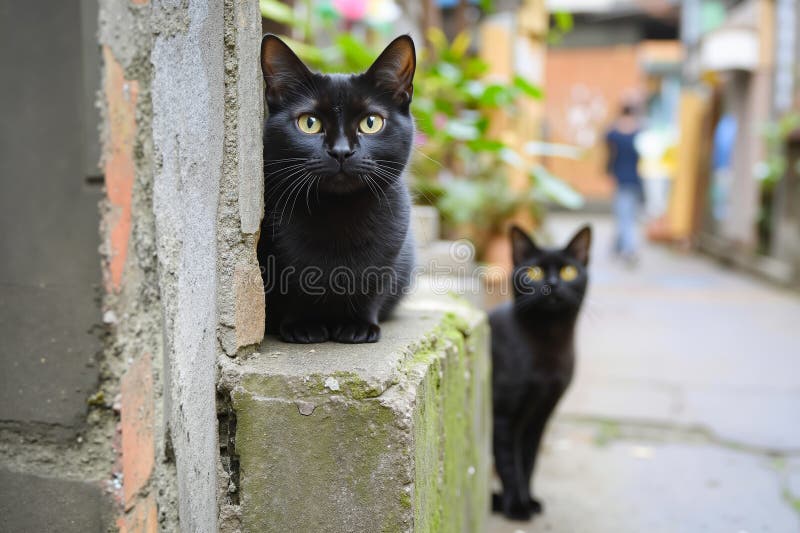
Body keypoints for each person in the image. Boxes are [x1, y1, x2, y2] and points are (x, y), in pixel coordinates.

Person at [605, 103, 644, 265]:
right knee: (627, 215)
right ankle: (622, 246)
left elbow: (606, 140)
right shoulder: (640, 132)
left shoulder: (615, 132)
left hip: (621, 178)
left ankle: (628, 248)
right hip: (635, 179)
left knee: (624, 216)